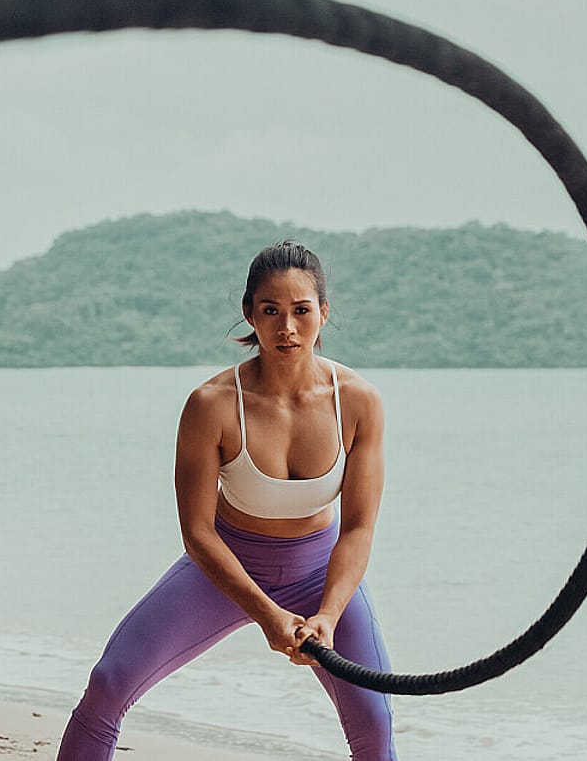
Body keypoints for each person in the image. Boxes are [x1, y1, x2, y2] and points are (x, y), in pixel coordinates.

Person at [57, 241, 396, 760]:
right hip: (224, 566)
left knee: (374, 722)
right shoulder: (211, 405)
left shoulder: (358, 401)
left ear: (323, 313)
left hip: (319, 573)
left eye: (302, 311)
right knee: (109, 682)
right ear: (249, 314)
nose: (287, 328)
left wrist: (327, 615)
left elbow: (358, 529)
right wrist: (266, 615)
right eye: (271, 311)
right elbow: (197, 532)